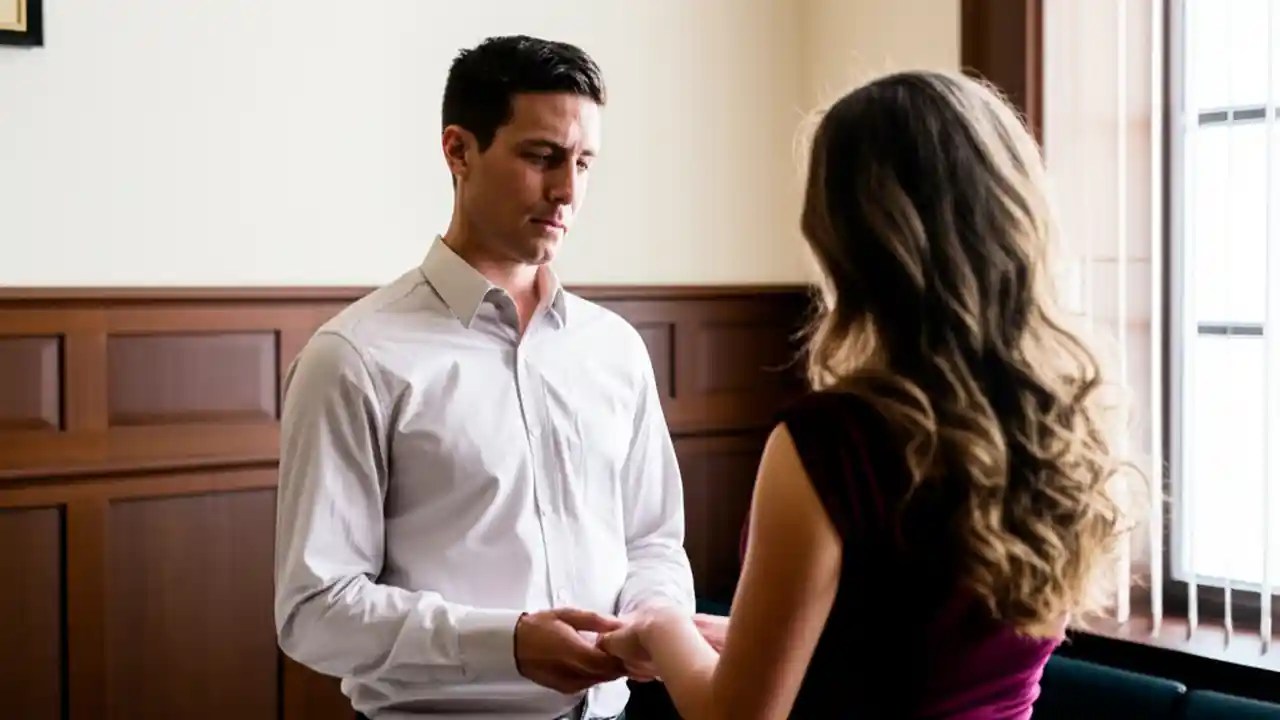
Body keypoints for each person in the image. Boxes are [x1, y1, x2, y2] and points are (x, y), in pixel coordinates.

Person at [599, 70, 1133, 719]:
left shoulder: (832, 442)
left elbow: (738, 716)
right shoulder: (1060, 420)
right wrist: (736, 645)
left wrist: (660, 626)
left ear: (849, 239)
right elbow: (913, 652)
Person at [273, 34, 694, 720]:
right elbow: (315, 610)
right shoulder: (353, 357)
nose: (567, 191)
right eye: (541, 157)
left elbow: (652, 540)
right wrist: (510, 644)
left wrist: (655, 621)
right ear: (458, 151)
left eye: (584, 163)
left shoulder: (614, 349)